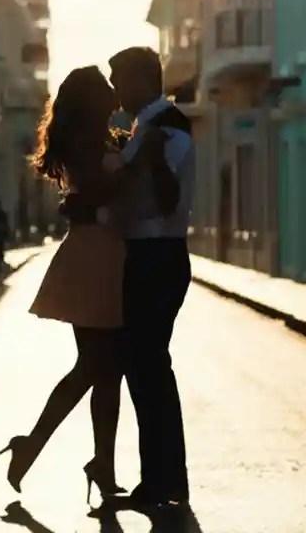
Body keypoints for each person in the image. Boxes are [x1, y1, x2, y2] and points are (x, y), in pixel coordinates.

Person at [0, 66, 168, 504]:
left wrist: (133, 154)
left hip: (111, 255)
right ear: (90, 100)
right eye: (106, 88)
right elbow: (97, 193)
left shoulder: (106, 139)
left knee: (107, 372)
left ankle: (101, 465)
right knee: (94, 365)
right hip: (93, 258)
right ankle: (35, 444)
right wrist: (138, 162)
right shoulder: (82, 146)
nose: (115, 92)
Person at [107, 46, 196, 508]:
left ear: (143, 79)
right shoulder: (145, 126)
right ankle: (159, 481)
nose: (115, 89)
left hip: (157, 256)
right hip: (147, 255)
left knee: (149, 369)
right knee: (145, 370)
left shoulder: (168, 130)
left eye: (118, 78)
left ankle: (165, 483)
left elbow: (164, 200)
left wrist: (151, 160)